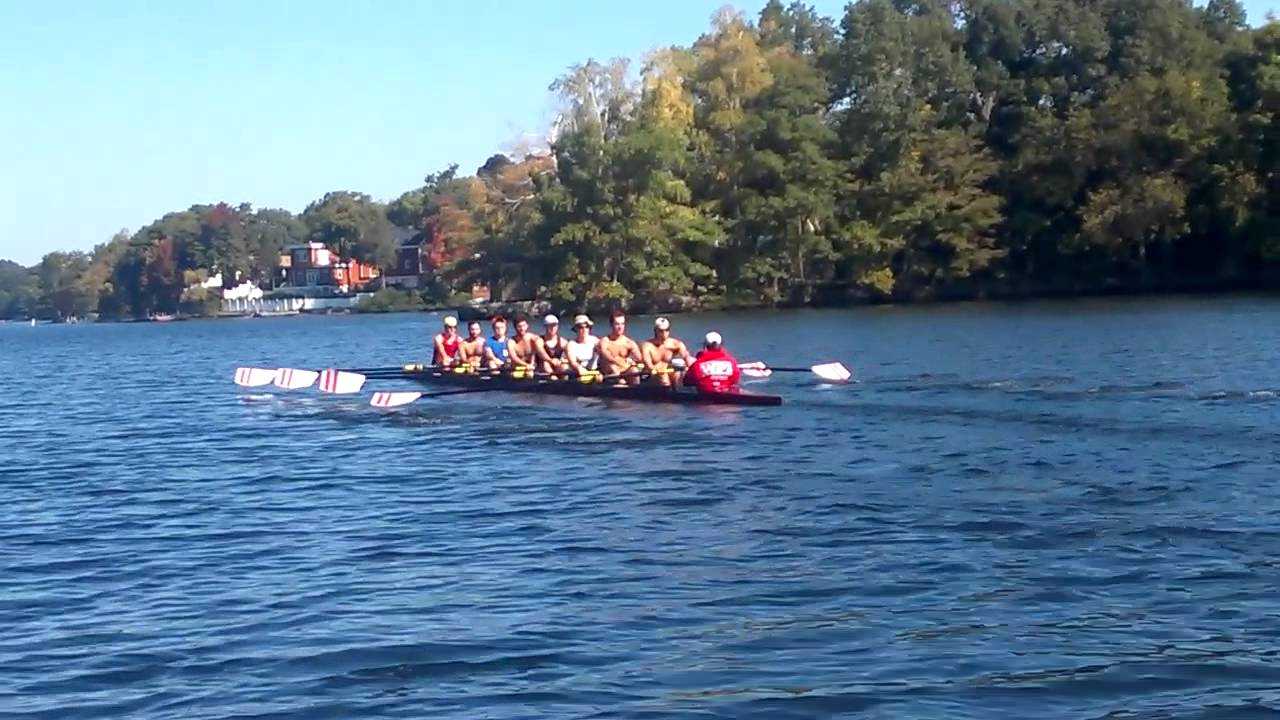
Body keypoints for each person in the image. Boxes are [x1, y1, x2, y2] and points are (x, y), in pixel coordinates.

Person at [641, 316, 693, 387]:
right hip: (652, 376)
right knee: (663, 377)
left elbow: (686, 355)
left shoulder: (675, 344)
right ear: (656, 330)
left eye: (667, 330)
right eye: (661, 331)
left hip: (667, 374)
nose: (664, 333)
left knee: (677, 374)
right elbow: (648, 364)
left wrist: (689, 366)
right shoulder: (647, 346)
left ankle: (677, 393)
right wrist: (653, 369)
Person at [598, 309, 643, 385]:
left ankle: (636, 390)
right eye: (617, 324)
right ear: (611, 325)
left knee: (634, 370)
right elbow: (605, 354)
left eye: (622, 324)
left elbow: (639, 358)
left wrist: (632, 359)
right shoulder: (605, 341)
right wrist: (619, 363)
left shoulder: (629, 342)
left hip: (625, 371)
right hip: (610, 373)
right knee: (612, 367)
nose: (620, 327)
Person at [565, 314, 600, 379]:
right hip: (578, 374)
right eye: (581, 327)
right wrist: (579, 368)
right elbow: (573, 362)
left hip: (594, 373)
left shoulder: (595, 341)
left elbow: (603, 351)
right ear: (576, 329)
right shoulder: (571, 345)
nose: (584, 330)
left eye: (587, 327)